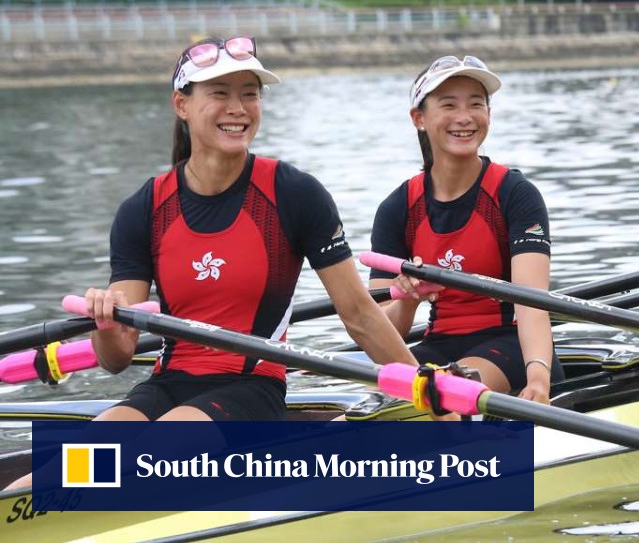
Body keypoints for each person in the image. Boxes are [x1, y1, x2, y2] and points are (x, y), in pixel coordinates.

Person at [5, 36, 418, 489]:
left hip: (251, 391)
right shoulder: (144, 208)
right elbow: (118, 359)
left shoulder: (294, 194)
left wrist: (425, 392)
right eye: (219, 93)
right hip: (167, 383)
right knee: (41, 483)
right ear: (181, 105)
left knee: (123, 467)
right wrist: (105, 324)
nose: (238, 107)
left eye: (250, 93)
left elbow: (359, 316)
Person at [369, 55, 557, 407]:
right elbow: (379, 330)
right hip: (437, 344)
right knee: (372, 403)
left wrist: (538, 379)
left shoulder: (514, 195)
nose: (465, 117)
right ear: (419, 119)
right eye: (449, 104)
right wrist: (407, 298)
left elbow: (533, 304)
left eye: (476, 104)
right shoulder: (397, 208)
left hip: (512, 345)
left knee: (440, 391)